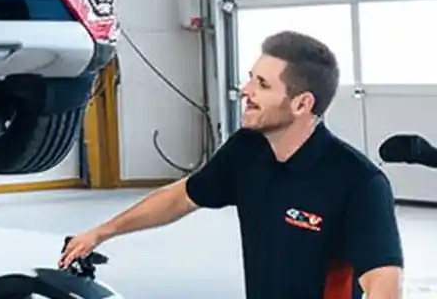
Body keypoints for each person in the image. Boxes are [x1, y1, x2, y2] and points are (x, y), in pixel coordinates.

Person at [60, 30, 404, 298]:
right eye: (251, 77)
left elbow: (383, 284)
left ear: (302, 104)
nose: (246, 90)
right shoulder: (247, 151)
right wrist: (103, 231)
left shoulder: (358, 182)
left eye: (262, 84)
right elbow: (181, 196)